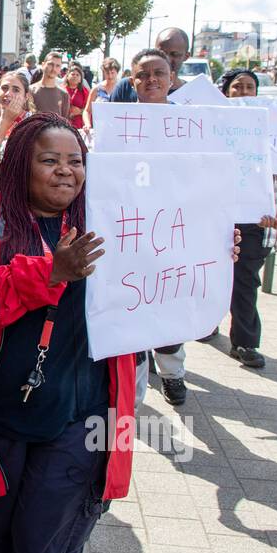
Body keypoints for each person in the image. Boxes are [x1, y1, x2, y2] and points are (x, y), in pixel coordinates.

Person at [0, 113, 136, 553]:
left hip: (82, 420)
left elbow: (163, 285)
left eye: (75, 160)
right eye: (49, 160)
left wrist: (216, 253)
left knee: (44, 550)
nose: (66, 171)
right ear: (23, 165)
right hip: (0, 417)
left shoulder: (109, 219)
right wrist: (49, 272)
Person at [218, 68, 277, 370]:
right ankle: (205, 325)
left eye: (249, 88)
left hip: (255, 219)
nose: (243, 92)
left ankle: (244, 342)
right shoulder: (212, 122)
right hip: (215, 214)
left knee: (246, 280)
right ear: (226, 93)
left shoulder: (269, 126)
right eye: (237, 87)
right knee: (210, 277)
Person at [120, 49, 187, 404]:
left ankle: (173, 372)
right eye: (142, 75)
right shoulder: (118, 124)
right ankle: (132, 398)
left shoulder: (189, 125)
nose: (151, 80)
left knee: (168, 313)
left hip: (174, 235)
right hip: (131, 235)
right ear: (133, 82)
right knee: (134, 314)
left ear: (171, 78)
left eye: (158, 73)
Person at [0, 69, 33, 188]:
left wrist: (5, 121)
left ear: (26, 96)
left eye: (16, 90)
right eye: (4, 88)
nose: (8, 94)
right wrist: (4, 121)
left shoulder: (32, 125)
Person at [83, 57, 121, 129]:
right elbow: (87, 111)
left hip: (119, 129)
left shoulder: (122, 89)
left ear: (117, 72)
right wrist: (87, 124)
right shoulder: (96, 89)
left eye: (112, 73)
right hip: (100, 129)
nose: (110, 76)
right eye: (107, 73)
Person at [31, 52, 70, 118]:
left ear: (60, 69)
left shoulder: (64, 94)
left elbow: (64, 120)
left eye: (57, 66)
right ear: (43, 65)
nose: (54, 69)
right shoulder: (30, 90)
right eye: (51, 64)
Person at [63, 63, 89, 130]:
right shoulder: (61, 90)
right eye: (72, 74)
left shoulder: (85, 92)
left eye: (77, 75)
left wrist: (80, 111)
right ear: (67, 77)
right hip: (63, 124)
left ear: (80, 79)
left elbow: (89, 109)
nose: (75, 76)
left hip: (79, 125)